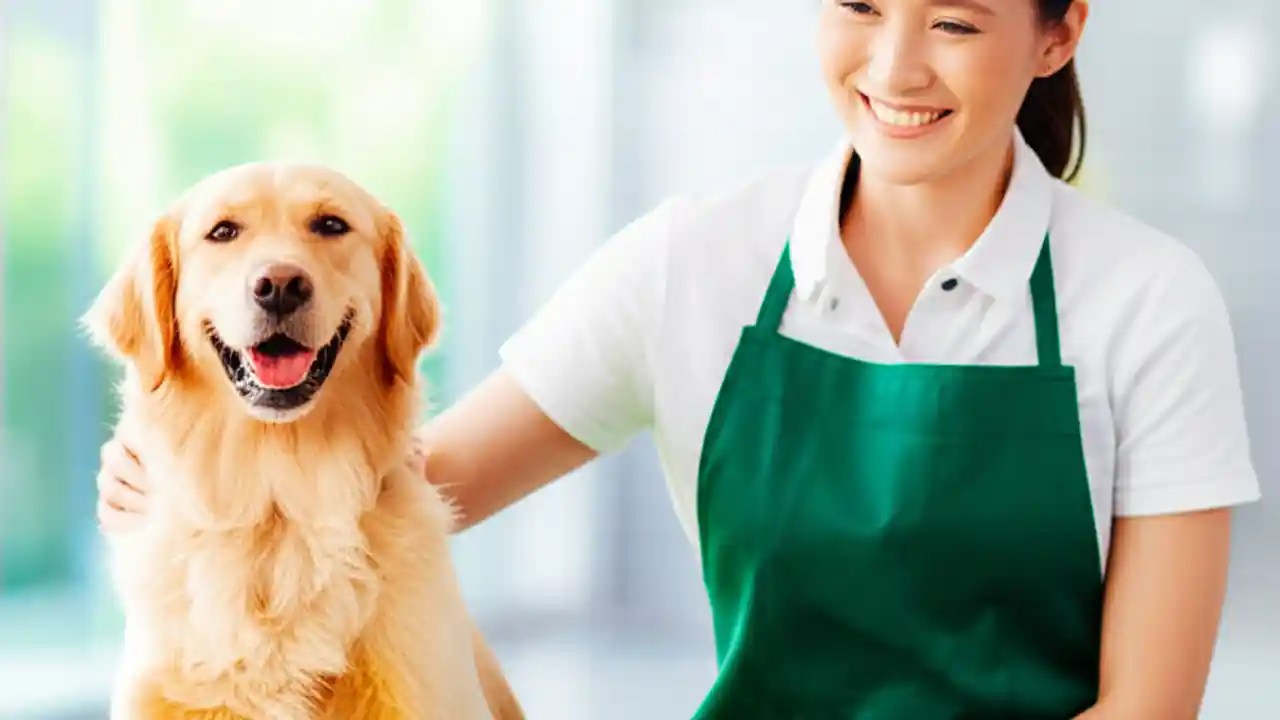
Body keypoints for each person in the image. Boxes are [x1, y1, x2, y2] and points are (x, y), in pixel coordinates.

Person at [97, 0, 1261, 717]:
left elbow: (1148, 709)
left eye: (953, 22)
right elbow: (404, 496)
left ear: (1057, 32)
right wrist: (191, 493)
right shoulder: (691, 262)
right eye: (858, 5)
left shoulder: (1145, 303)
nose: (895, 69)